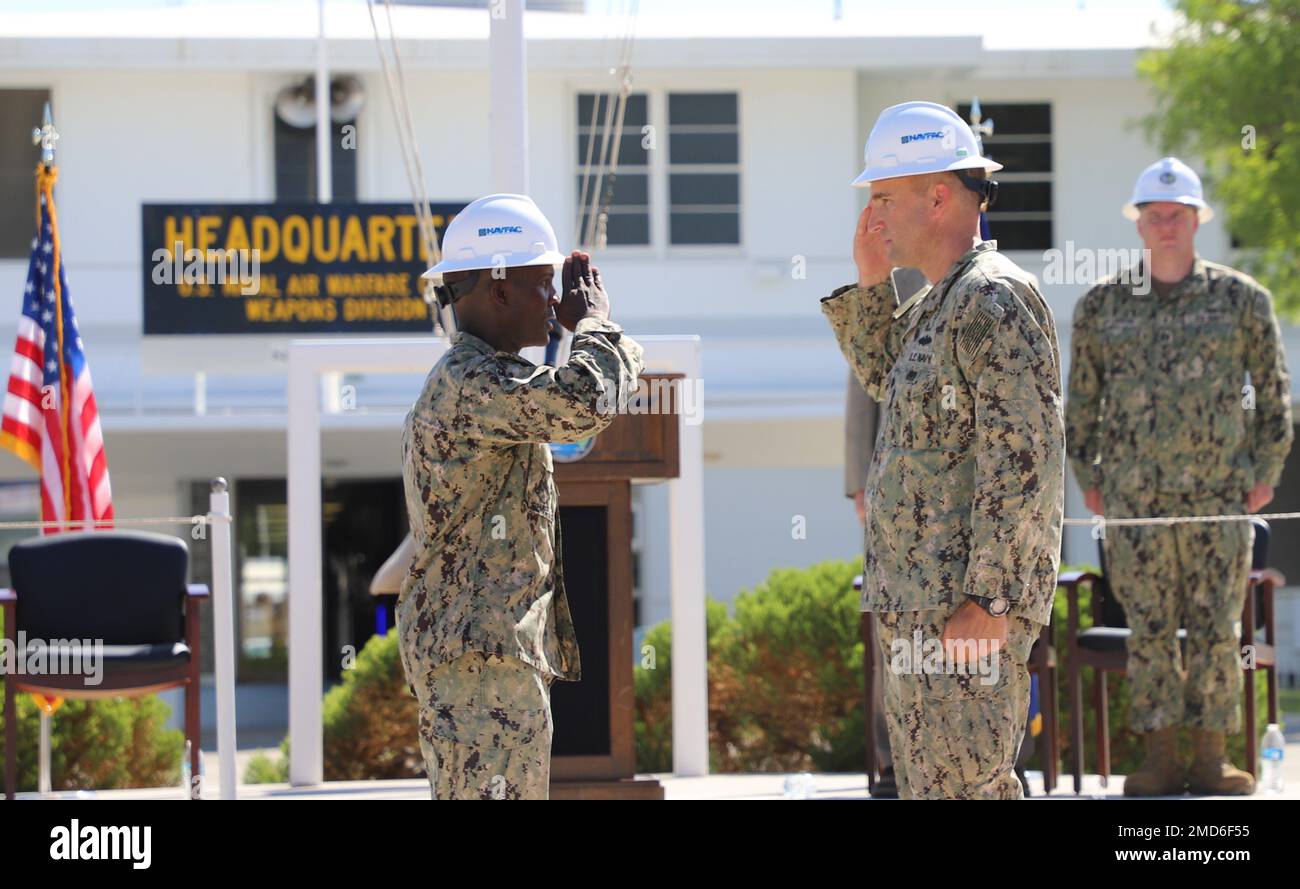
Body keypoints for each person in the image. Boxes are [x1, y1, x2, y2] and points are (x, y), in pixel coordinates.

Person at [821, 101, 1065, 799]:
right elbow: (886, 380)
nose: (874, 218)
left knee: (968, 788)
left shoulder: (992, 300)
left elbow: (1027, 464)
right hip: (924, 611)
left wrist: (989, 597)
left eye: (883, 198)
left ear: (936, 197)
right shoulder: (938, 302)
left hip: (964, 611)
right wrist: (871, 284)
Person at [396, 193, 644, 799]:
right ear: (500, 291)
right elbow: (585, 399)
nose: (556, 299)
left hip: (487, 657)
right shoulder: (470, 383)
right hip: (479, 663)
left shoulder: (487, 378)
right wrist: (594, 324)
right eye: (543, 283)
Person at [1065, 157, 1293, 796]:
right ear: (1139, 224)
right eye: (1154, 215)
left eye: (1177, 215)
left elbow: (1274, 394)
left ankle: (1212, 759)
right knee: (1152, 630)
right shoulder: (1103, 306)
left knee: (1219, 626)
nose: (1165, 226)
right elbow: (1081, 400)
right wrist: (1090, 475)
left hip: (1219, 495)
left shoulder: (1242, 300)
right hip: (1135, 499)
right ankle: (1161, 758)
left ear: (1196, 221)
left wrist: (1265, 473)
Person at [845, 267, 927, 798]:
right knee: (893, 636)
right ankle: (893, 763)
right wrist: (859, 485)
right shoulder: (893, 292)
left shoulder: (983, 289)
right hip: (893, 500)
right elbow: (861, 394)